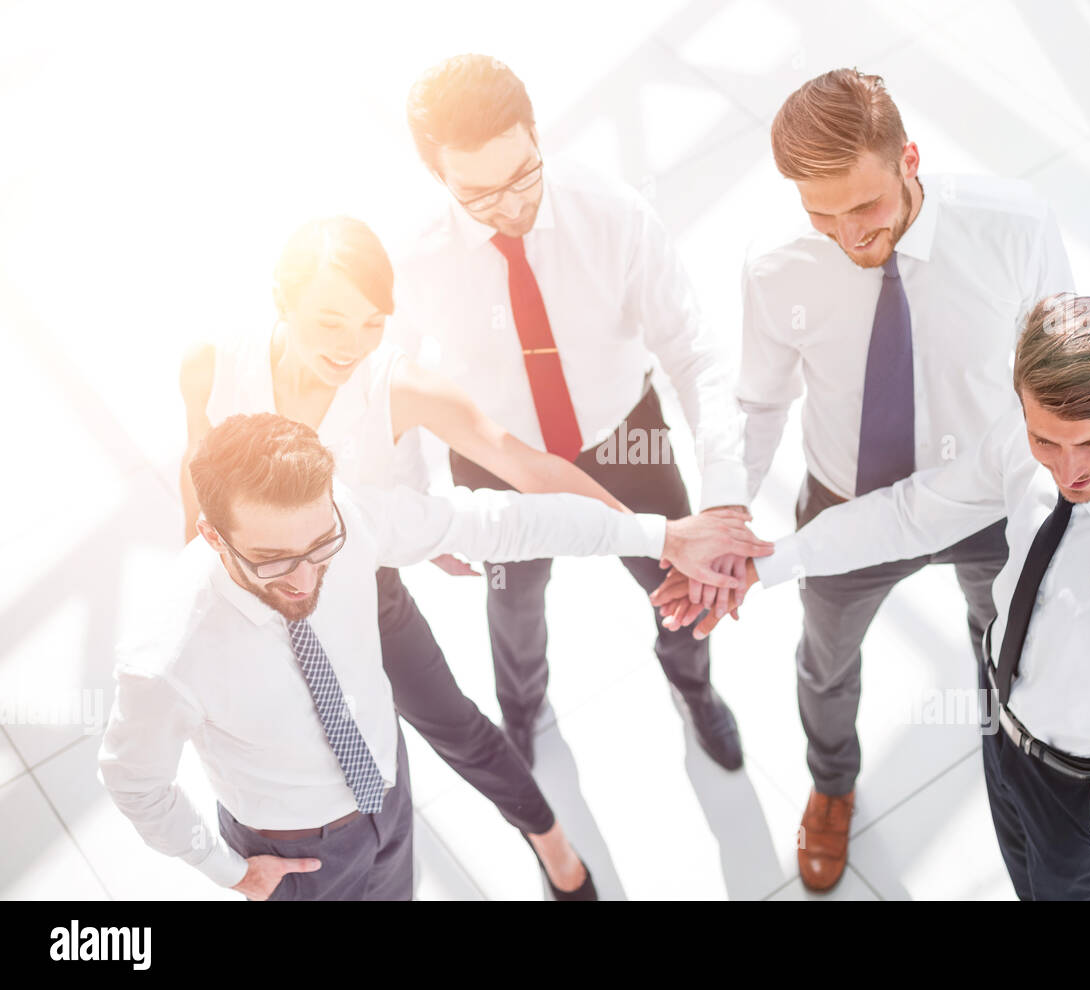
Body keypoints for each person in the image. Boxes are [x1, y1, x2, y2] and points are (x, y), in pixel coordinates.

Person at [178, 216, 764, 896]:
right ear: (281, 300)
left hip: (367, 593)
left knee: (458, 729)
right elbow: (196, 493)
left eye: (372, 324)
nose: (351, 347)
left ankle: (555, 849)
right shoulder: (210, 366)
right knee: (289, 753)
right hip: (254, 600)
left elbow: (525, 469)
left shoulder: (396, 384)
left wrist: (660, 534)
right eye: (331, 321)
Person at [654, 293, 1090, 900]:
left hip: (1081, 791)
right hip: (997, 721)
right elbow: (912, 515)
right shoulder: (1020, 444)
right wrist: (766, 562)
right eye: (1047, 441)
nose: (1067, 471)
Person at [99, 413, 772, 900]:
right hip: (294, 854)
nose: (304, 579)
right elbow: (135, 783)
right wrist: (226, 870)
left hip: (388, 792)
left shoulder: (346, 516)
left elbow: (501, 521)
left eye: (318, 548)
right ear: (213, 536)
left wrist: (659, 535)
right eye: (272, 560)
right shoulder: (167, 654)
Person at [708, 68, 1073, 890]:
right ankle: (832, 784)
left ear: (910, 158)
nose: (846, 233)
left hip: (986, 502)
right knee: (826, 662)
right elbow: (759, 402)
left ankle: (1010, 773)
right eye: (819, 212)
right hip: (846, 500)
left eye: (863, 207)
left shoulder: (1013, 229)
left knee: (1005, 648)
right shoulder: (778, 267)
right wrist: (727, 508)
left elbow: (1063, 375)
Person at [393, 54, 753, 771]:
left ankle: (694, 687)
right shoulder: (413, 256)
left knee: (682, 584)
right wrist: (414, 505)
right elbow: (392, 387)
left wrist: (727, 493)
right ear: (438, 177)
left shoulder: (612, 213)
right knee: (515, 614)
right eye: (479, 193)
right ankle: (522, 713)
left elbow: (691, 351)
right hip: (497, 458)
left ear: (536, 136)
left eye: (523, 174)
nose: (511, 205)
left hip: (626, 438)